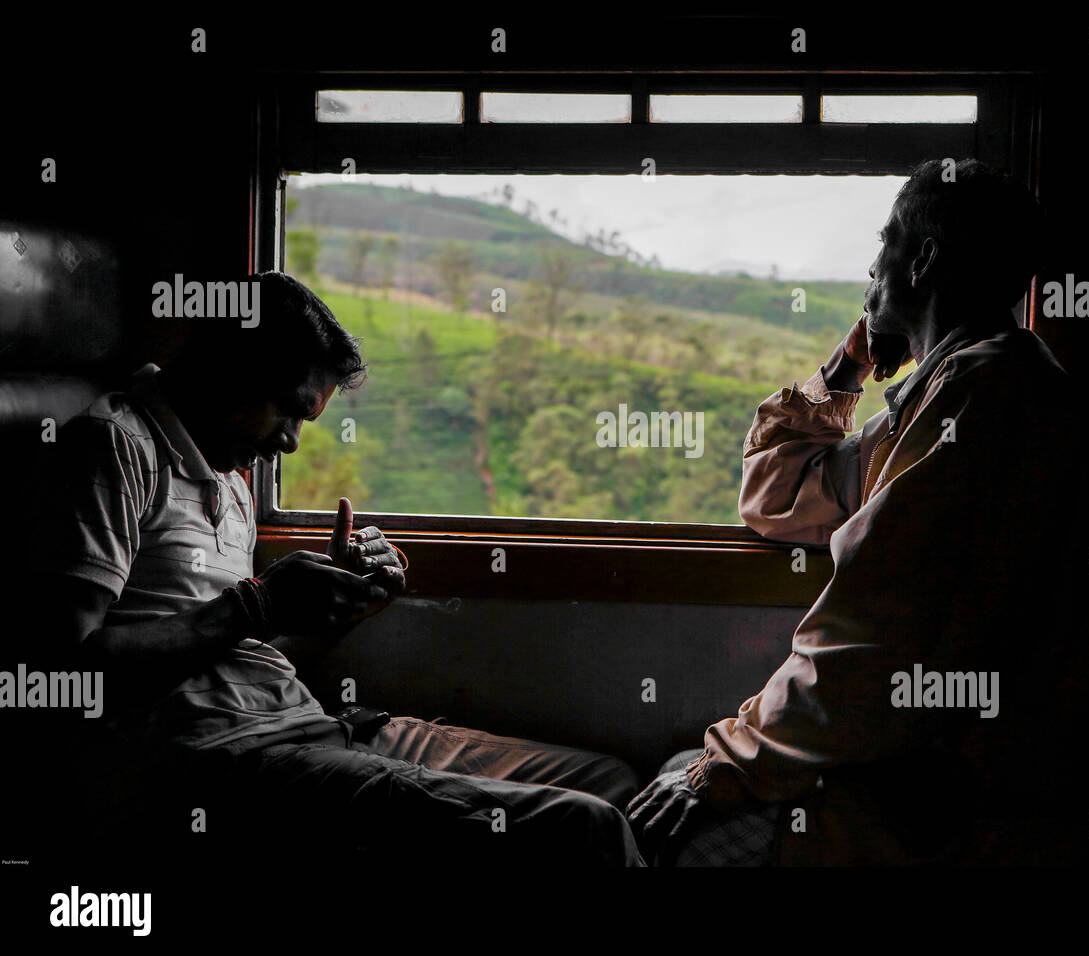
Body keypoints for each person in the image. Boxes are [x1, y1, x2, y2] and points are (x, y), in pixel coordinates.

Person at [31, 271, 643, 868]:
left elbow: (239, 661)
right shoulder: (113, 447)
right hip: (219, 761)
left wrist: (342, 608)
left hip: (310, 726)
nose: (293, 442)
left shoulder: (230, 470)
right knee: (585, 829)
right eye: (291, 412)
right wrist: (255, 606)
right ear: (232, 372)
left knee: (612, 782)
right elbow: (57, 674)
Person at [628, 159, 1084, 866]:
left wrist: (731, 765)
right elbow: (776, 496)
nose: (872, 267)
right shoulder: (940, 392)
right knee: (664, 784)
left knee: (674, 836)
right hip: (908, 765)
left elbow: (874, 637)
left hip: (961, 792)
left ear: (923, 258)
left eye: (885, 245)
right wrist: (848, 367)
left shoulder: (990, 391)